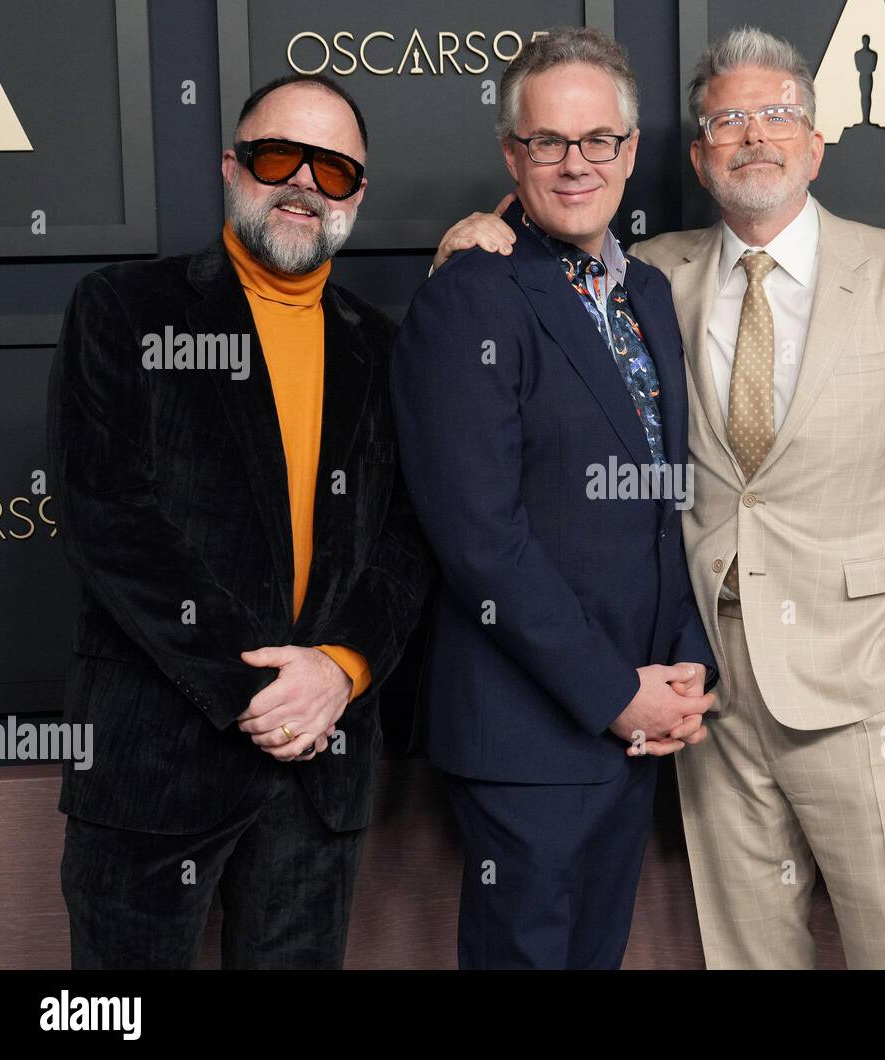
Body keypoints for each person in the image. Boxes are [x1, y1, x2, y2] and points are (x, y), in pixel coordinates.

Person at [429, 26, 885, 969]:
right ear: (695, 154)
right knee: (749, 957)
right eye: (729, 119)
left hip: (871, 696)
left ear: (817, 141)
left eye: (779, 115)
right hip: (712, 703)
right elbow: (549, 234)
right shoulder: (655, 278)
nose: (755, 137)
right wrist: (477, 230)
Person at [48, 73, 430, 969]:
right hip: (155, 762)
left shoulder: (384, 347)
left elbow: (409, 538)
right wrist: (256, 686)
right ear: (231, 168)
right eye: (277, 157)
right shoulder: (125, 308)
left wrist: (339, 670)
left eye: (334, 170)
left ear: (357, 194)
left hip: (320, 768)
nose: (304, 181)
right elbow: (108, 518)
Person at [389, 27, 716, 970]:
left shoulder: (647, 292)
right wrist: (616, 694)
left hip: (640, 720)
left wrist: (684, 668)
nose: (576, 165)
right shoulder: (472, 297)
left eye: (598, 141)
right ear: (511, 154)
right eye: (548, 143)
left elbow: (667, 501)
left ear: (630, 151)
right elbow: (480, 540)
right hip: (529, 729)